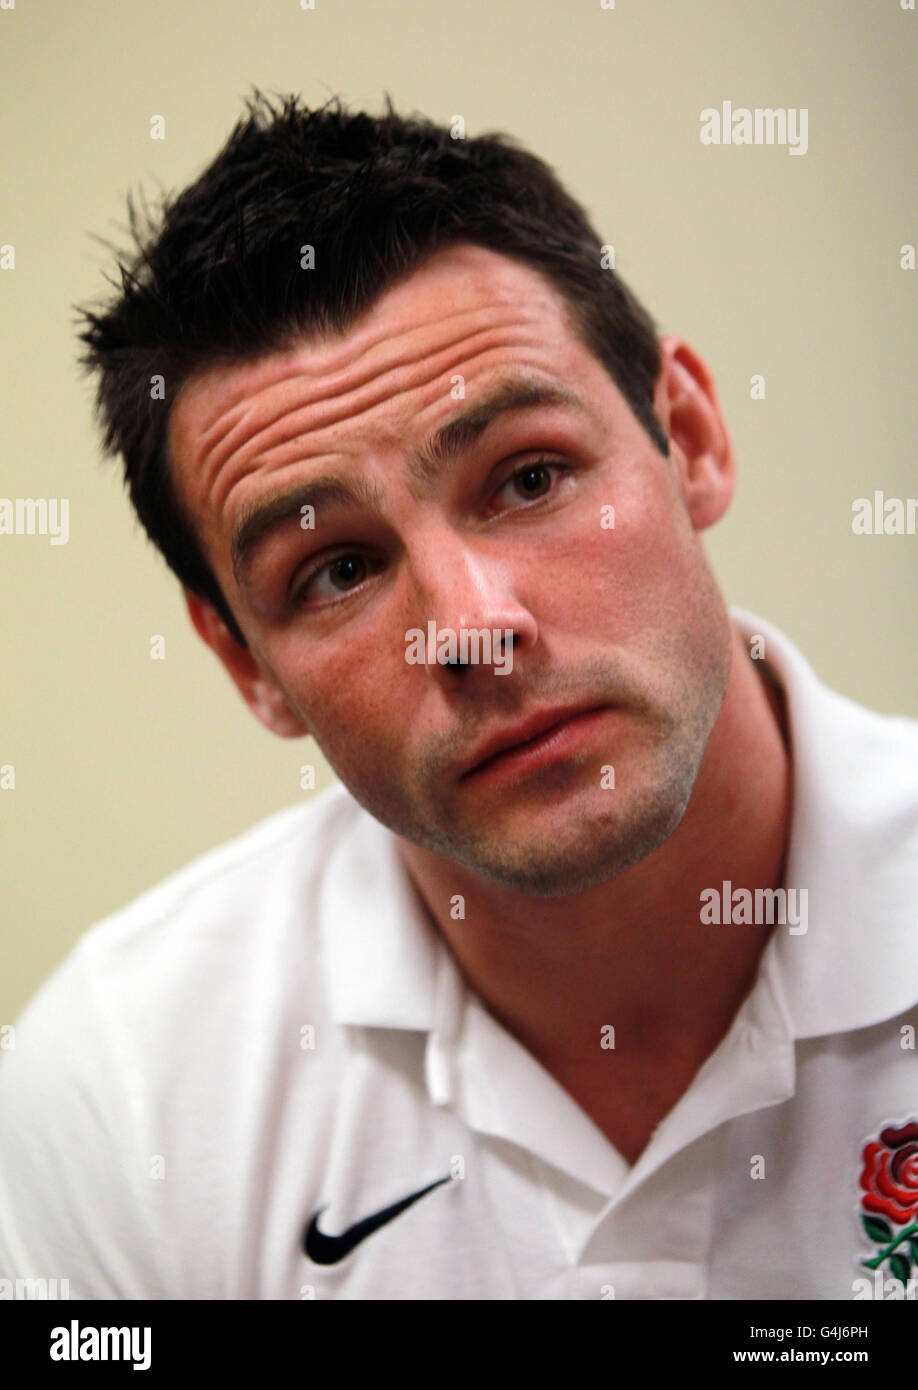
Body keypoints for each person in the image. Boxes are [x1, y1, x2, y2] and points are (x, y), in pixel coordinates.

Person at [1, 90, 916, 1302]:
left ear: (686, 437)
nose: (474, 625)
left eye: (529, 477)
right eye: (337, 570)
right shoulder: (118, 1088)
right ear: (245, 665)